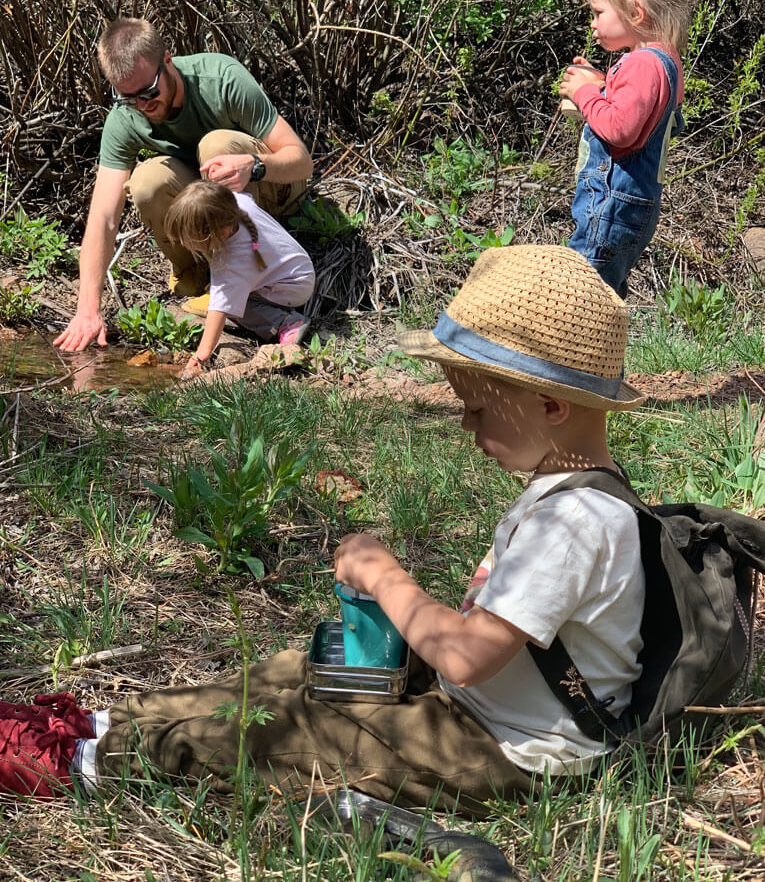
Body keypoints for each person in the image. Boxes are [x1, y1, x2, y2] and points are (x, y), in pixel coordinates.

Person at [1, 246, 646, 810]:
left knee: (300, 732)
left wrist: (387, 577)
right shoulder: (561, 494)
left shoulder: (573, 520)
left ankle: (83, 759)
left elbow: (466, 656)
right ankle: (95, 722)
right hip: (482, 707)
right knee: (293, 674)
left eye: (477, 411)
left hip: (510, 749)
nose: (467, 428)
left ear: (552, 407)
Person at [54, 18, 314, 353]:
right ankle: (198, 276)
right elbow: (103, 217)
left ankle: (247, 276)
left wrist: (254, 166)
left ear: (167, 60)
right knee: (147, 182)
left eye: (149, 93)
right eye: (128, 98)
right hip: (215, 205)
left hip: (269, 191)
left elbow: (301, 160)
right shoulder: (125, 118)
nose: (143, 107)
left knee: (216, 147)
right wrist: (87, 309)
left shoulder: (221, 79)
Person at [558, 0, 689, 298]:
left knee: (580, 295)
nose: (593, 24)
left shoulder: (642, 64)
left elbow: (620, 130)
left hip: (612, 205)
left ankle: (569, 356)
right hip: (633, 207)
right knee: (603, 293)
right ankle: (598, 355)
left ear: (635, 12)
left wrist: (585, 95)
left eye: (598, 13)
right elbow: (640, 113)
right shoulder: (663, 61)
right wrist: (602, 83)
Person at [163, 180, 315, 380]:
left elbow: (220, 307)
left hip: (291, 287)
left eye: (188, 237)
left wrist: (200, 357)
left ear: (216, 232)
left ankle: (285, 322)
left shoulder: (233, 262)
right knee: (227, 297)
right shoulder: (234, 204)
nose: (183, 242)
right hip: (296, 268)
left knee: (235, 307)